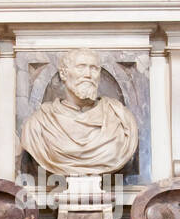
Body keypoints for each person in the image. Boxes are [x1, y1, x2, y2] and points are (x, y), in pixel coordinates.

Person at [20, 47, 138, 176]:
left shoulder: (120, 118)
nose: (88, 74)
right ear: (64, 73)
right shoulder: (39, 123)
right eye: (81, 67)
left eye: (94, 68)